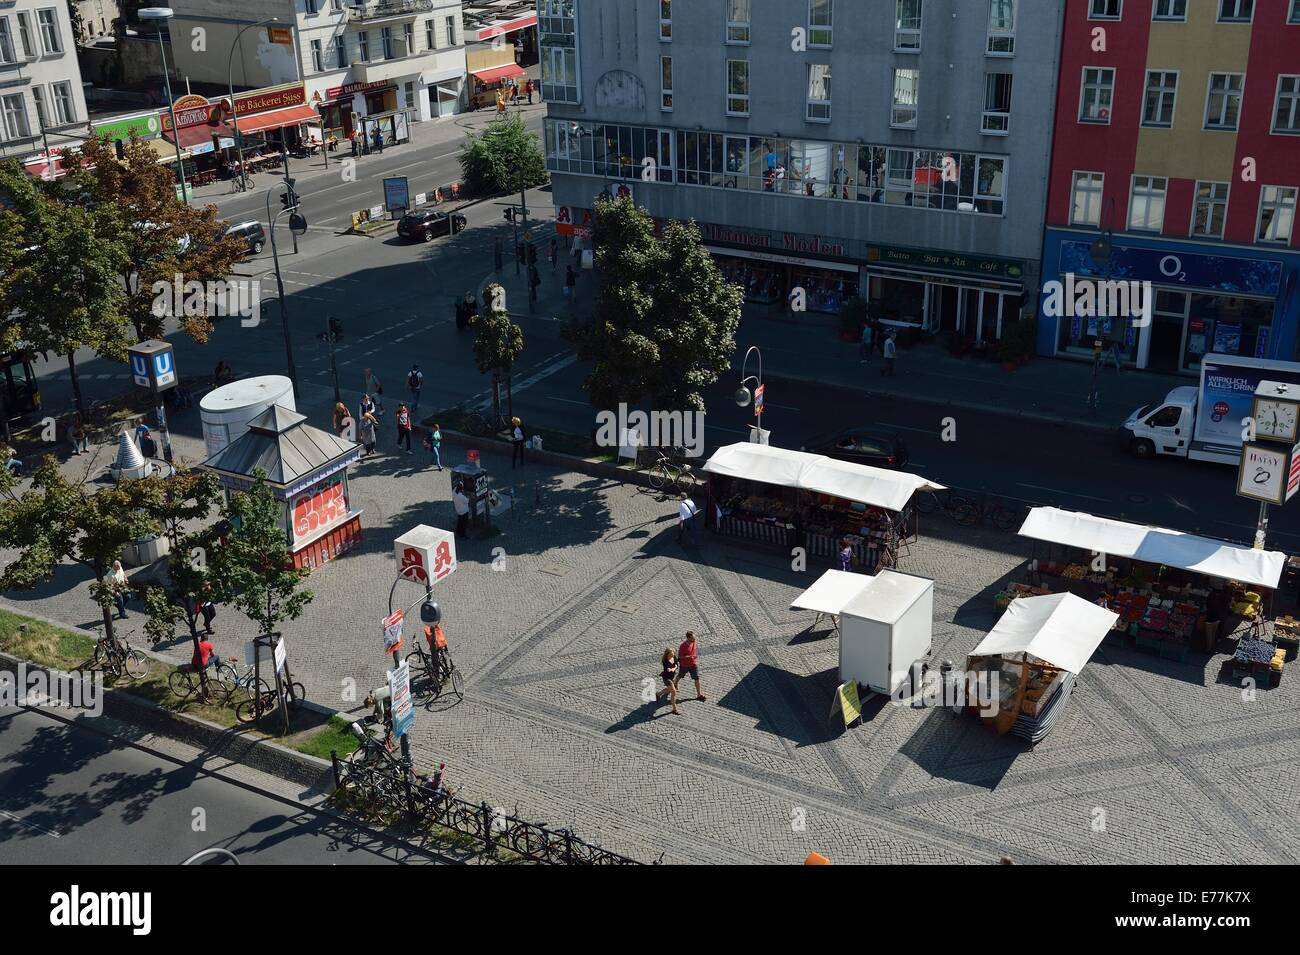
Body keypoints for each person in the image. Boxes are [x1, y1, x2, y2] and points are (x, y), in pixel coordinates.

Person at [678, 631, 706, 701]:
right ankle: (675, 683)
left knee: (697, 678)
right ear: (688, 638)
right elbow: (679, 656)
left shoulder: (694, 641)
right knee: (680, 675)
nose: (694, 639)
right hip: (684, 665)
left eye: (694, 637)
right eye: (692, 638)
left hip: (693, 664)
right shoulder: (683, 646)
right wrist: (688, 657)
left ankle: (699, 695)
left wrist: (694, 656)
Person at [655, 648, 681, 715]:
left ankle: (658, 694)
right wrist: (673, 668)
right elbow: (669, 670)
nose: (672, 655)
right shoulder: (665, 661)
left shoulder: (674, 657)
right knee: (674, 692)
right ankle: (674, 709)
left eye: (673, 654)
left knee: (670, 689)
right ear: (667, 654)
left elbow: (676, 665)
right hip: (667, 679)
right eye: (671, 654)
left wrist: (674, 668)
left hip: (671, 677)